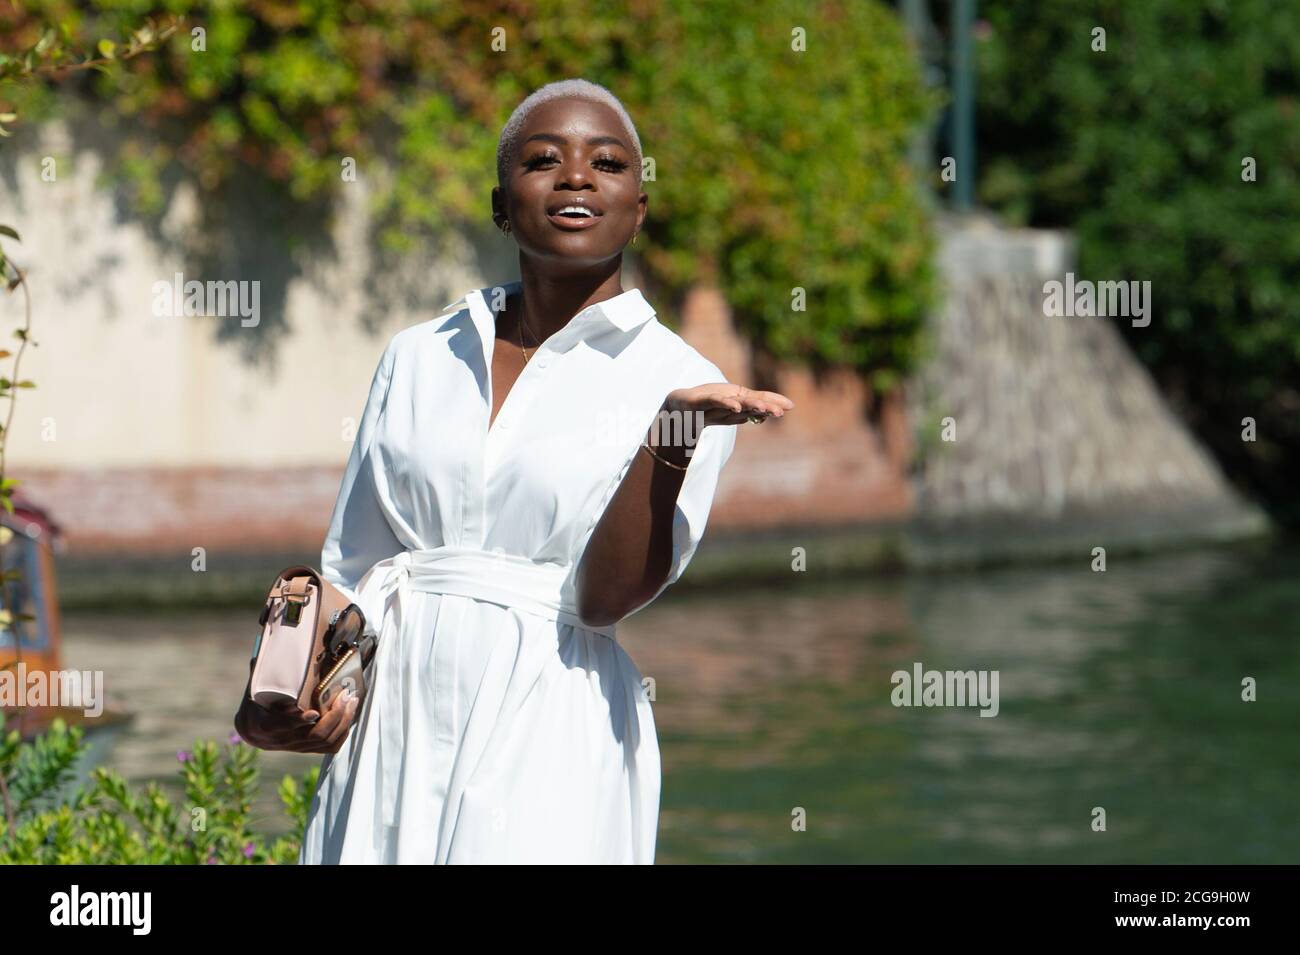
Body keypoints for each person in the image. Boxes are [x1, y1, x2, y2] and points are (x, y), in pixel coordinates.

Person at [235, 78, 793, 863]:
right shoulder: (420, 352)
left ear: (639, 207)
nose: (576, 176)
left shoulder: (683, 381)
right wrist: (273, 701)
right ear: (502, 204)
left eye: (607, 162)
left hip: (549, 719)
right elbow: (353, 567)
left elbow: (601, 602)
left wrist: (671, 433)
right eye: (543, 159)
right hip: (390, 720)